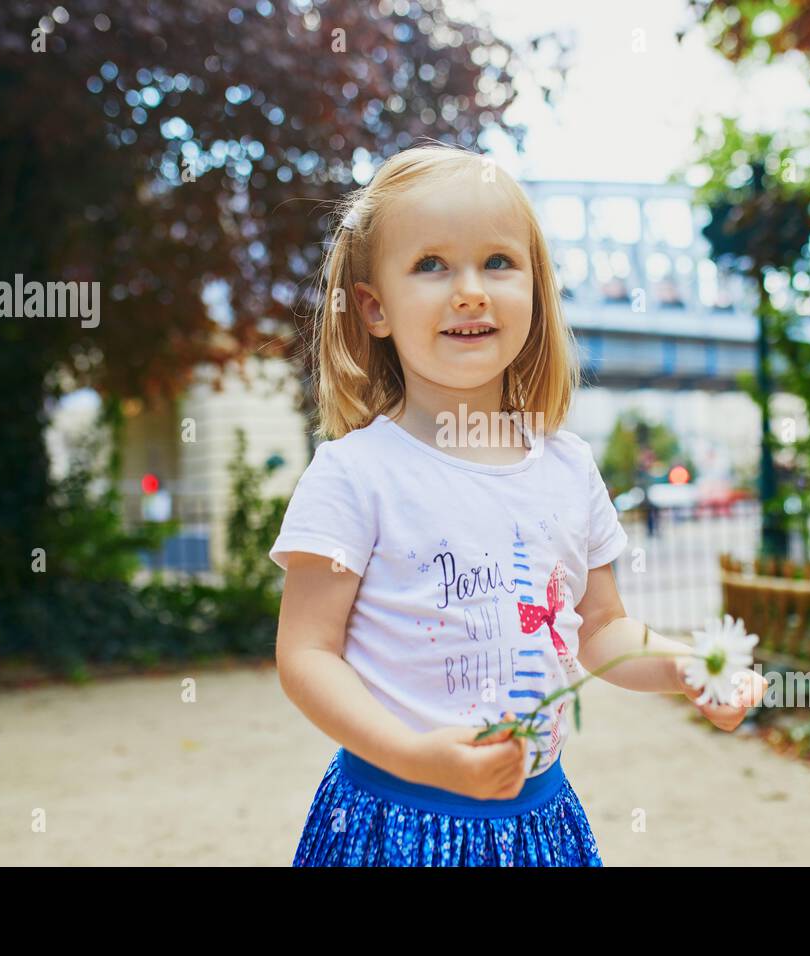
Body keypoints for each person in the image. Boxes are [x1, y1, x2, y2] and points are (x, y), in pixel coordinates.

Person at [270, 143, 766, 867]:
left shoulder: (568, 469)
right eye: (431, 265)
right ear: (373, 307)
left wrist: (692, 665)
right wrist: (415, 756)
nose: (470, 290)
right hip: (392, 823)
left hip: (538, 825)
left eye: (498, 262)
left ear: (536, 291)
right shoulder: (355, 475)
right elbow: (306, 654)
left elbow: (602, 632)